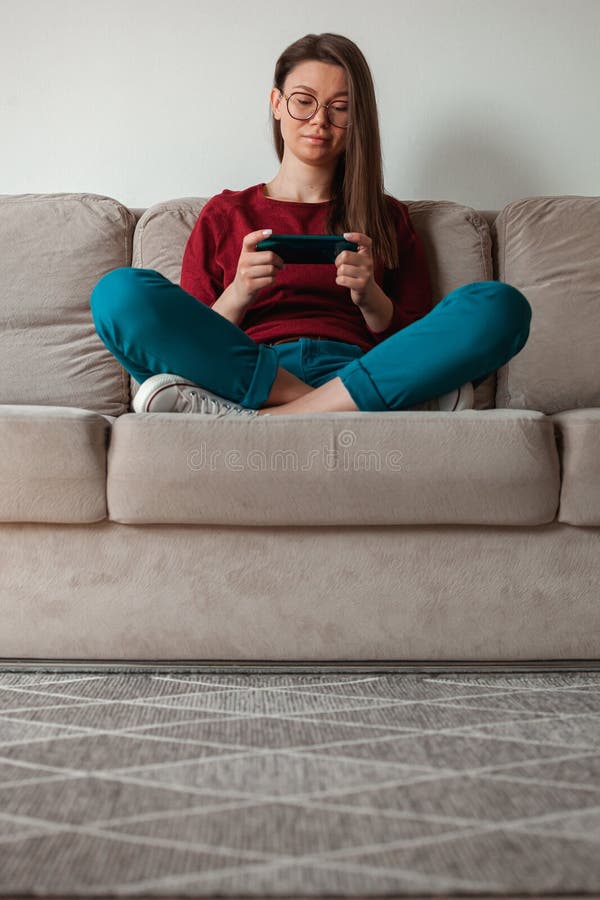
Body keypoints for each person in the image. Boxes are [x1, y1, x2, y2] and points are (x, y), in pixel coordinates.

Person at [90, 32, 531, 417]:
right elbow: (191, 334)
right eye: (304, 102)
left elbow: (415, 340)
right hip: (247, 370)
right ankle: (353, 408)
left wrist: (370, 296)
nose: (319, 120)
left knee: (500, 307)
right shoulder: (225, 215)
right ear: (277, 104)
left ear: (357, 120)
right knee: (118, 293)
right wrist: (239, 292)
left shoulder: (387, 217)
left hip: (356, 370)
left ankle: (271, 416)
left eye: (340, 107)